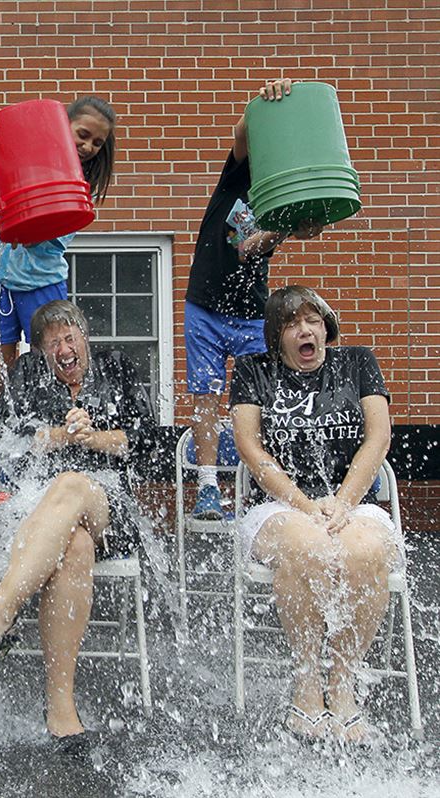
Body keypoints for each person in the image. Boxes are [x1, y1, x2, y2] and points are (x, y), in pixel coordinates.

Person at [0, 300, 154, 753]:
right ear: (40, 351)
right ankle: (61, 708)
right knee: (72, 546)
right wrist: (56, 435)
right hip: (40, 513)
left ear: (85, 337)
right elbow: (2, 438)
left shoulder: (118, 369)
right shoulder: (26, 378)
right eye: (52, 341)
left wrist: (91, 437)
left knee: (73, 483)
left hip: (108, 507)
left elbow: (144, 443)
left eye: (70, 335)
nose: (64, 346)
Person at [230, 285, 398, 744]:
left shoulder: (358, 361)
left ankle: (342, 685)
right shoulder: (252, 371)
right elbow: (251, 448)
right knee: (305, 545)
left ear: (326, 328)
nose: (304, 330)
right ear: (276, 335)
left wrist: (343, 502)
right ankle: (307, 684)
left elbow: (377, 437)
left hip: (354, 500)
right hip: (279, 506)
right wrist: (306, 506)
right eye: (291, 324)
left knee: (364, 551)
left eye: (313, 321)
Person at [185, 77, 324, 519]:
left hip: (250, 314)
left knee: (261, 400)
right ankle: (207, 487)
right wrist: (264, 103)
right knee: (206, 395)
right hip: (204, 305)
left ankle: (268, 486)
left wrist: (294, 228)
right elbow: (243, 132)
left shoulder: (278, 199)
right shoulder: (239, 173)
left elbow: (257, 246)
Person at [0, 97, 117, 412]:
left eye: (97, 142)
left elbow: (45, 233)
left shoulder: (81, 187)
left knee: (55, 373)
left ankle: (61, 435)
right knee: (0, 377)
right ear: (62, 127)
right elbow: (5, 145)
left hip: (42, 285)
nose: (89, 146)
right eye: (83, 135)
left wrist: (25, 229)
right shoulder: (33, 158)